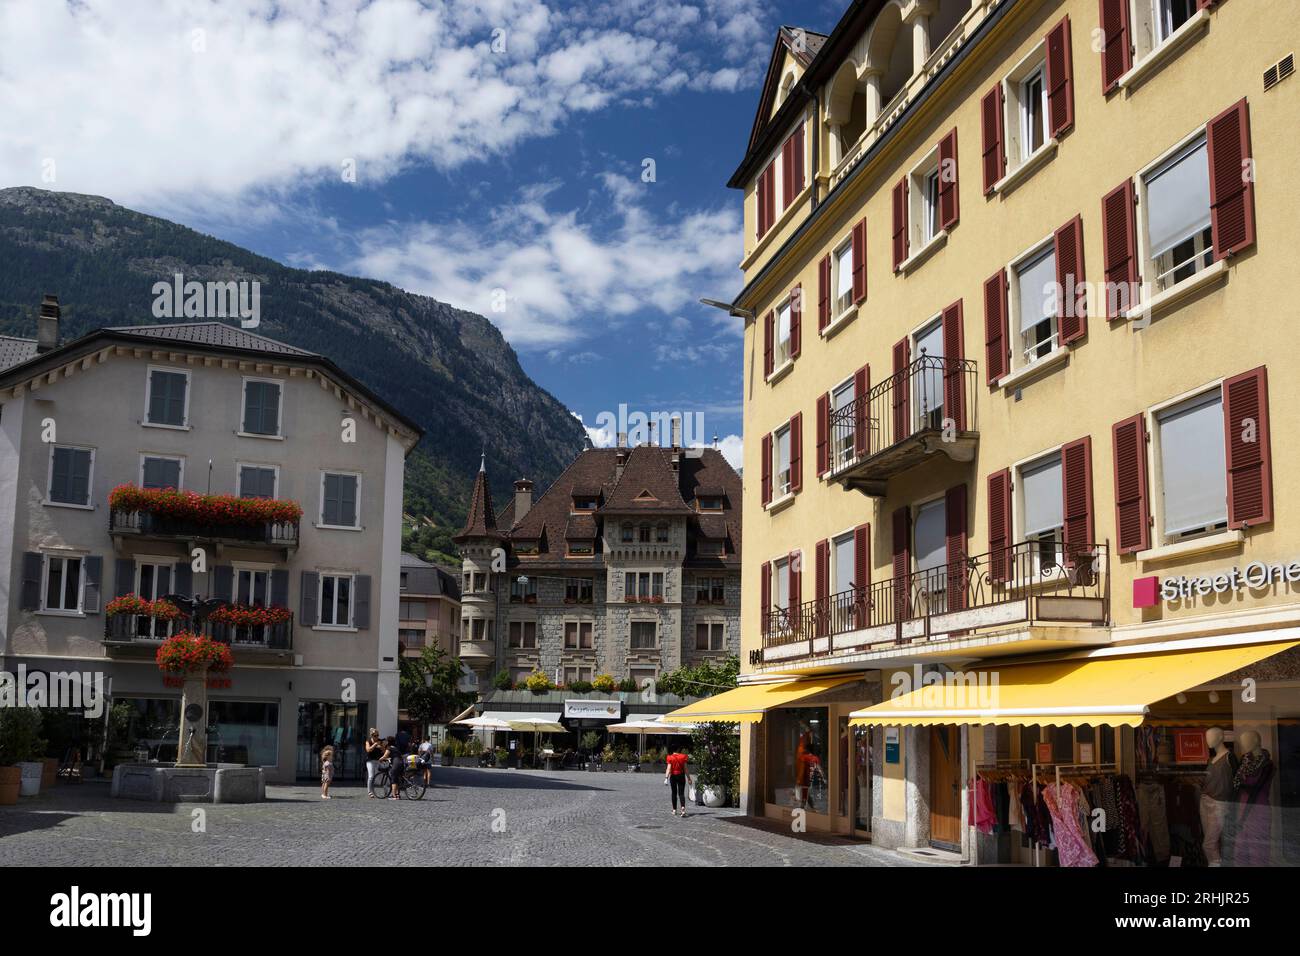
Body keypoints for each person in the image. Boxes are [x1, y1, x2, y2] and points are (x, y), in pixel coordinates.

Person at [664, 744, 691, 818]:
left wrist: (666, 778)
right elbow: (685, 769)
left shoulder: (669, 757)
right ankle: (683, 809)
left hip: (673, 776)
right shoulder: (683, 756)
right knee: (681, 793)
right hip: (681, 776)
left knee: (674, 793)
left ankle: (674, 810)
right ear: (678, 749)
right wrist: (689, 778)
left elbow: (668, 768)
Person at [363, 728, 384, 799]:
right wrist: (375, 744)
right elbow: (368, 750)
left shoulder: (380, 741)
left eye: (378, 735)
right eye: (375, 736)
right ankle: (370, 792)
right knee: (371, 776)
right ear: (371, 735)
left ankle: (386, 791)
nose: (377, 737)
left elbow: (384, 751)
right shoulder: (368, 741)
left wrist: (381, 747)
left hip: (378, 760)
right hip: (370, 760)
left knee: (381, 776)